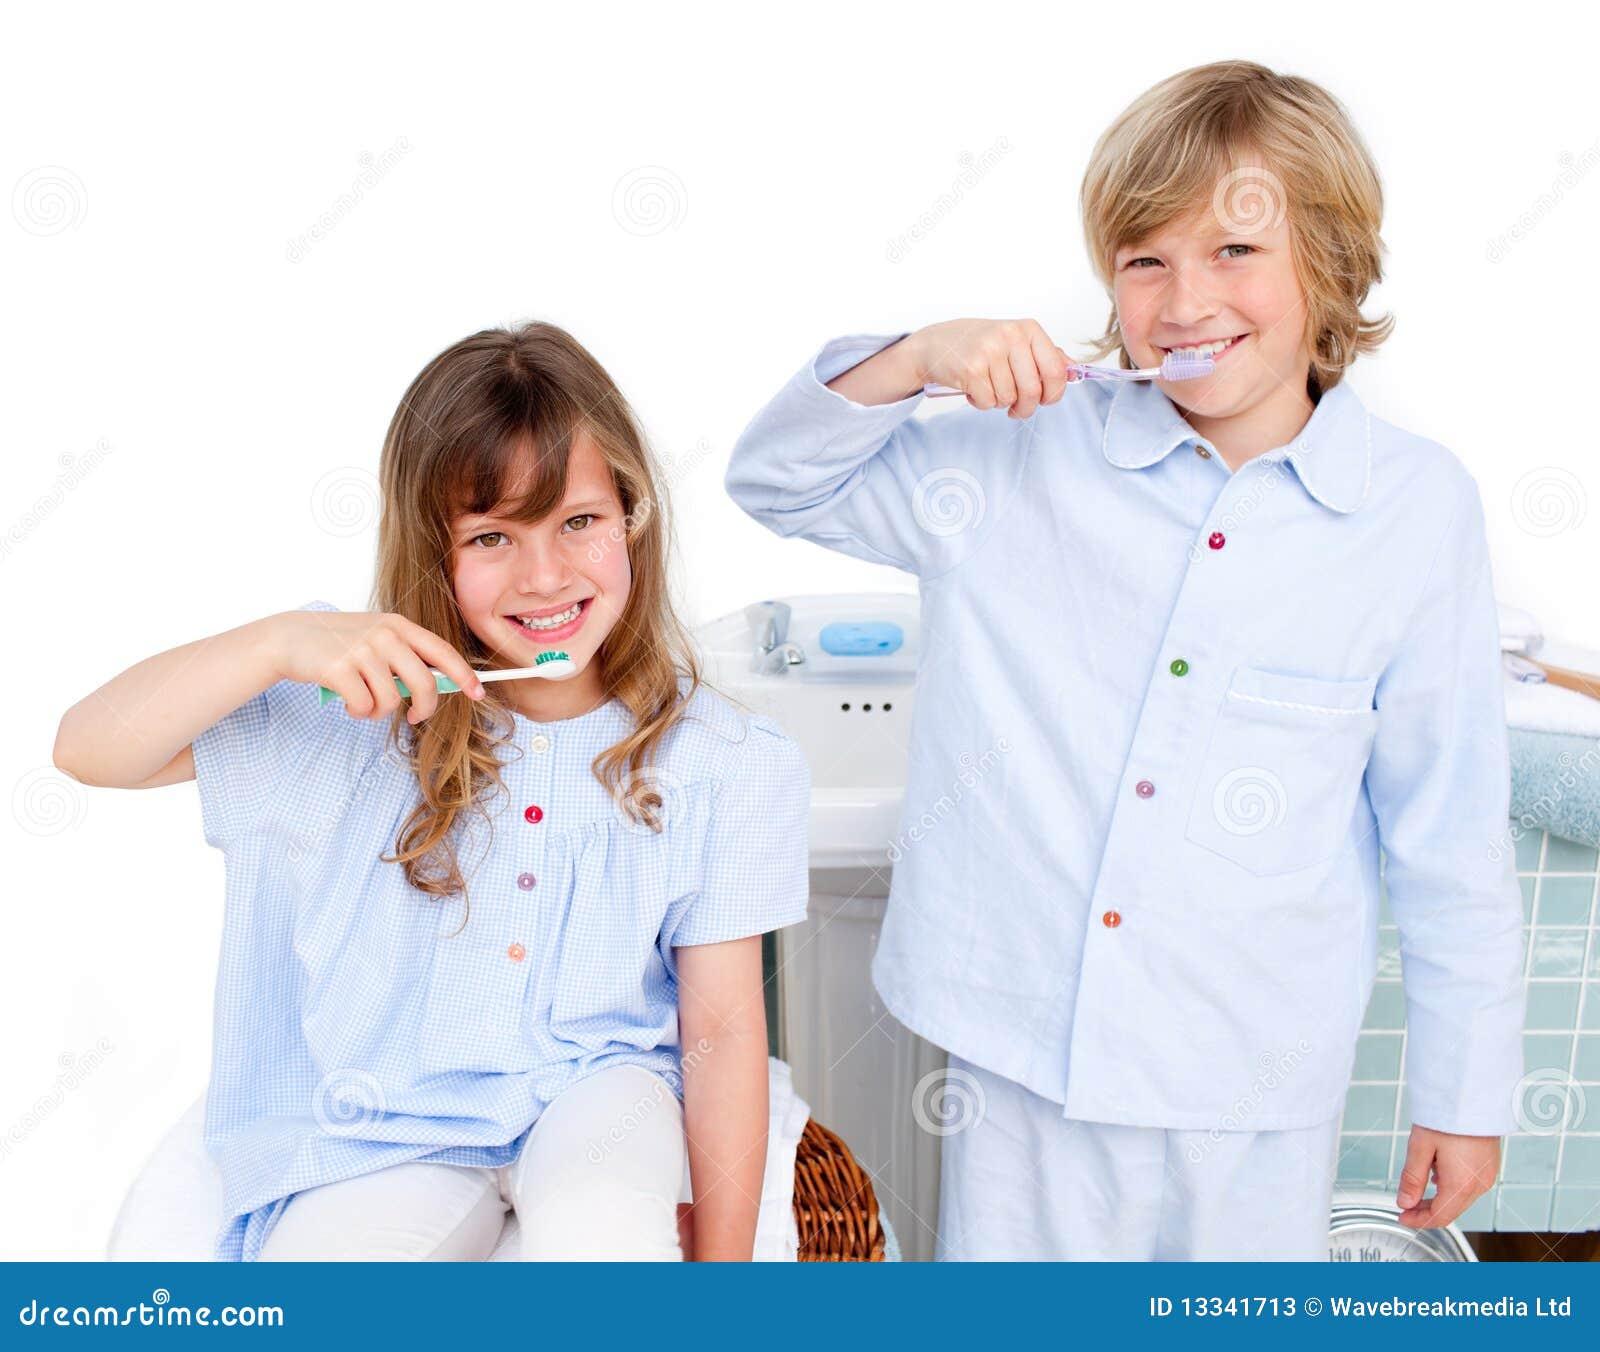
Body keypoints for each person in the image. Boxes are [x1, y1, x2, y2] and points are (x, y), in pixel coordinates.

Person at [724, 60, 1524, 1260]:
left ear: (1329, 261)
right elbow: (775, 476)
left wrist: (1466, 1092)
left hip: (1252, 1082)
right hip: (1020, 1062)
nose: (1184, 300)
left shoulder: (1413, 513)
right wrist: (916, 356)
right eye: (1145, 260)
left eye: (1234, 253)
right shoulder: (1014, 458)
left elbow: (1448, 826)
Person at [55, 322, 810, 1261]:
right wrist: (279, 643)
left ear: (631, 518)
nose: (546, 576)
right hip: (386, 1113)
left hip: (602, 1089)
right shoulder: (339, 708)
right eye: (492, 536)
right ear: (433, 554)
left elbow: (726, 1030)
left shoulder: (726, 758)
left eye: (579, 521)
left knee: (608, 1235)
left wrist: (724, 1275)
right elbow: (87, 748)